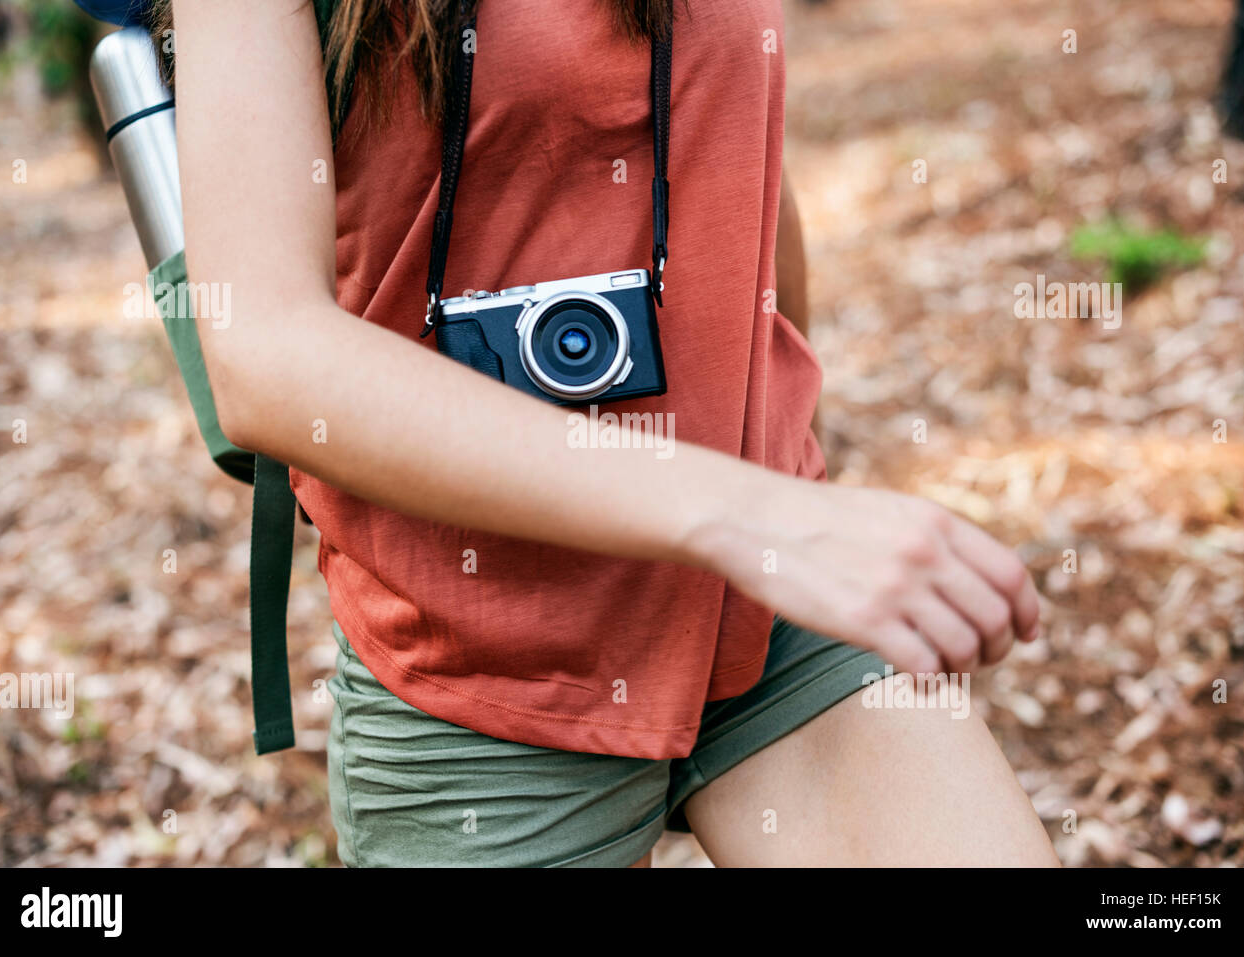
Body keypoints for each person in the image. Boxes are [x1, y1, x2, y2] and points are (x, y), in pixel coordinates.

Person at [166, 0, 1059, 867]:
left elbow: (742, 151)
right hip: (489, 662)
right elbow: (264, 350)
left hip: (760, 604)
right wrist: (755, 514)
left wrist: (794, 481)